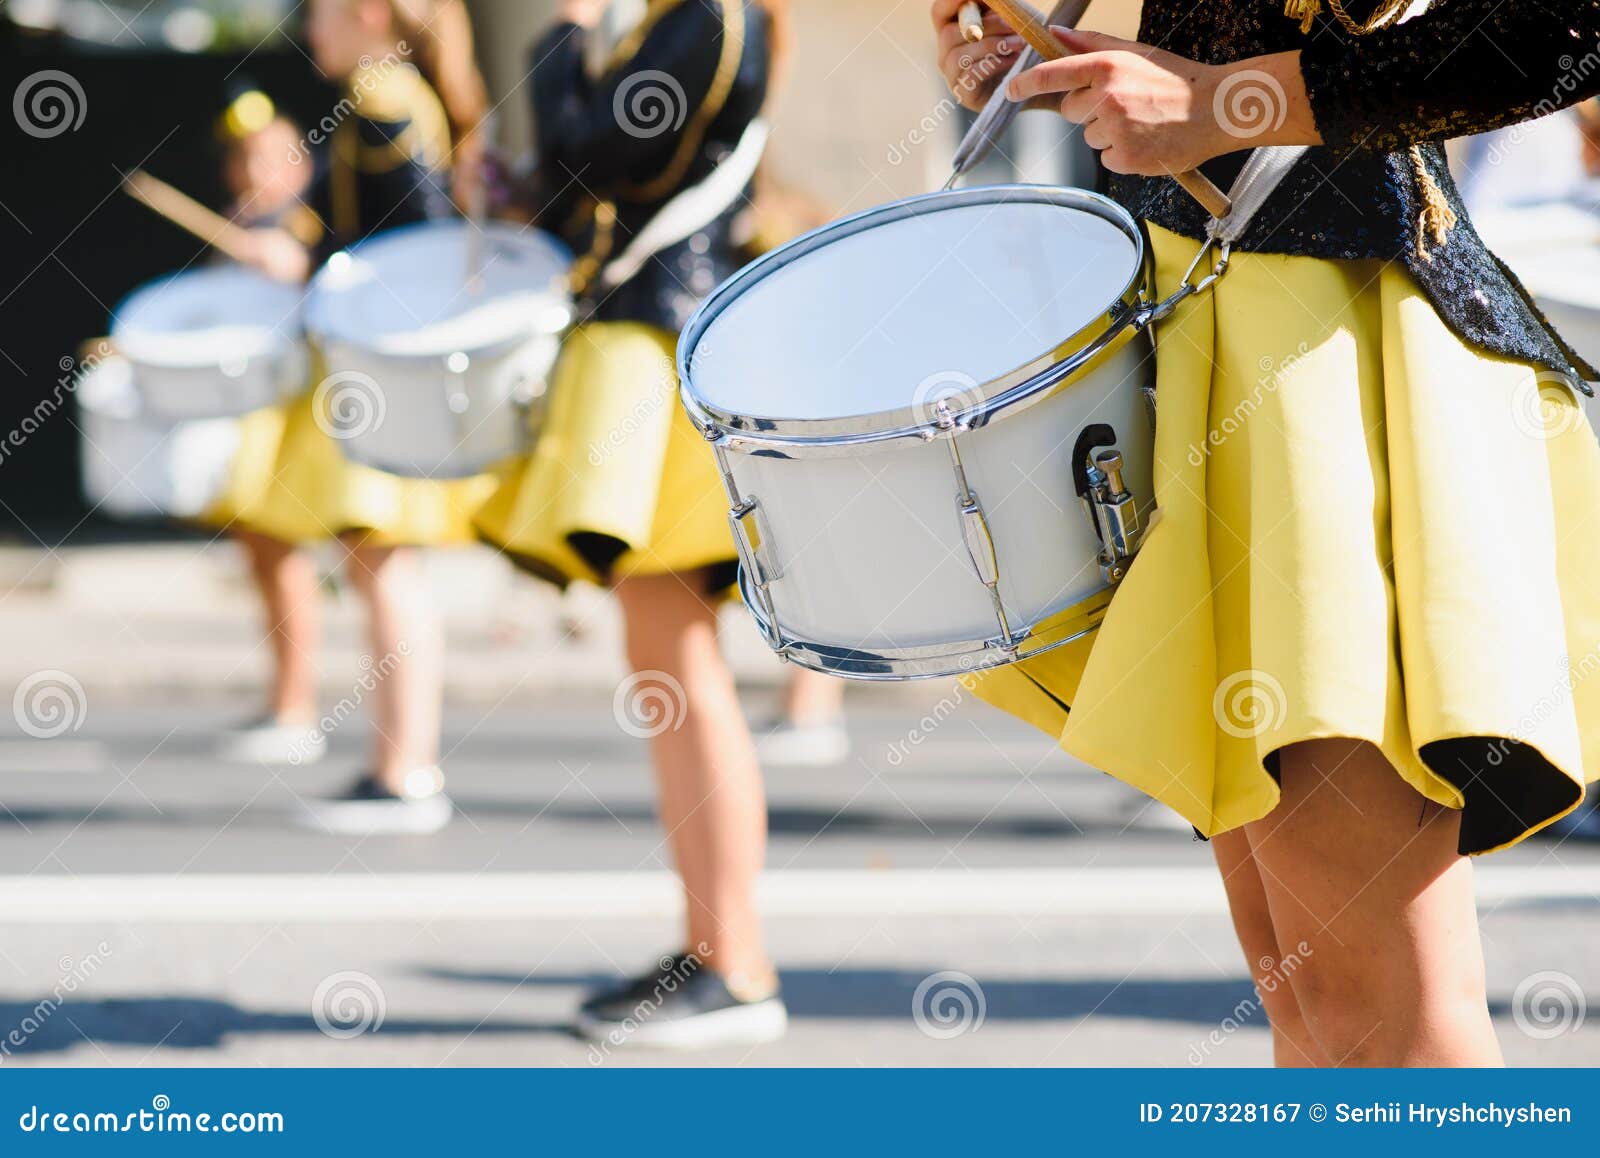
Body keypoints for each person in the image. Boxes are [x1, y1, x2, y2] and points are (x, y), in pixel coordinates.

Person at [935, 0, 1600, 1066]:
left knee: (1377, 1012)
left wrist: (1217, 101)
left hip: (1320, 360)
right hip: (1205, 312)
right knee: (1309, 1002)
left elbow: (1559, 30)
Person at [474, 0, 791, 1048]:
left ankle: (733, 960)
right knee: (665, 665)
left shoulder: (710, 15)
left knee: (679, 666)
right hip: (638, 341)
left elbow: (597, 151)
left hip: (659, 350)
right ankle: (712, 944)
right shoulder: (668, 18)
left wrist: (555, 43)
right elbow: (585, 186)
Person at [207, 0, 494, 835]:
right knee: (378, 561)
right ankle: (399, 766)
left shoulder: (381, 96)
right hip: (380, 364)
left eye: (325, 10)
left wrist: (306, 261)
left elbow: (408, 244)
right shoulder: (391, 94)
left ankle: (406, 772)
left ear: (371, 13)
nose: (311, 27)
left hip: (379, 366)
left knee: (384, 562)